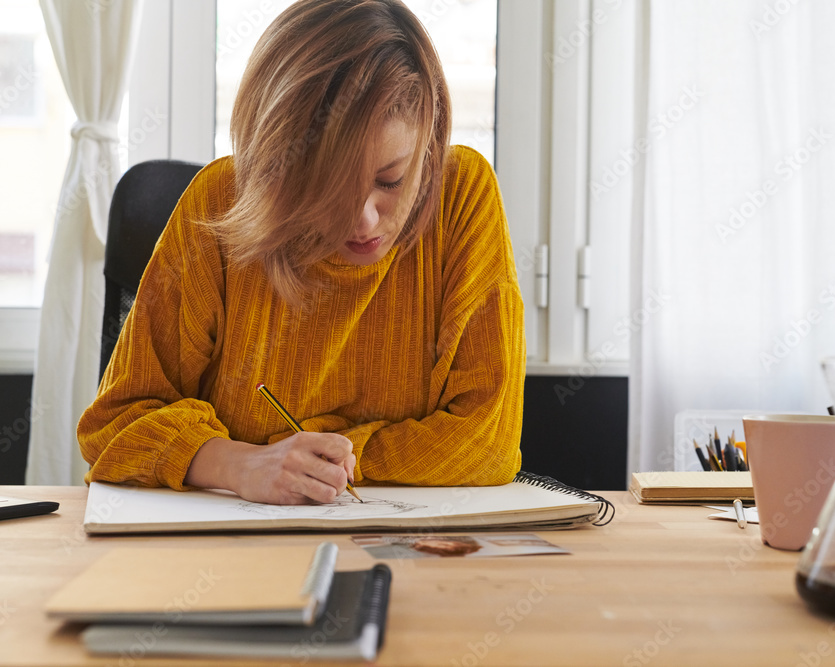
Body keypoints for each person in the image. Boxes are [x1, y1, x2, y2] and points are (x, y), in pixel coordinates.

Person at [78, 0, 525, 505]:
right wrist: (244, 466)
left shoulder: (463, 196)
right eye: (331, 187)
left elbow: (487, 442)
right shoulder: (219, 202)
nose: (364, 219)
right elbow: (114, 424)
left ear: (429, 138)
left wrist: (315, 460)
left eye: (390, 180)